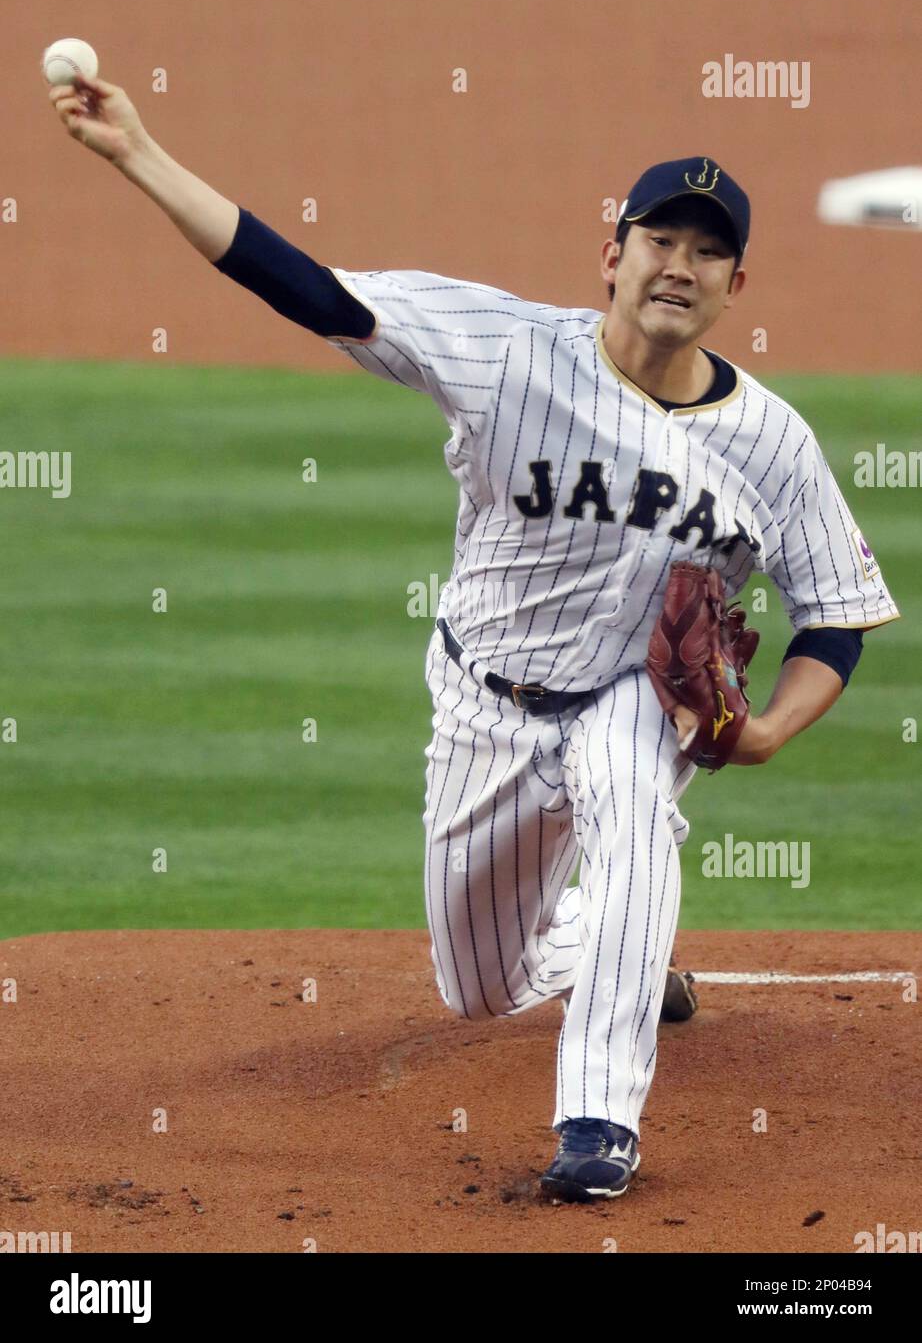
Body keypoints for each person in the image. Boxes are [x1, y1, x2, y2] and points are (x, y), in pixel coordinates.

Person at [50, 77, 899, 1204]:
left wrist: (774, 729)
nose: (678, 264)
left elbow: (834, 609)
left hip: (627, 700)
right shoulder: (504, 349)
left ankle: (598, 1121)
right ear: (613, 255)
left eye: (707, 251)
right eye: (659, 238)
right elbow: (311, 290)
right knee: (477, 985)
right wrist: (139, 154)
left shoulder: (772, 444)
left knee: (639, 814)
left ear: (734, 284)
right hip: (483, 703)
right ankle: (615, 947)